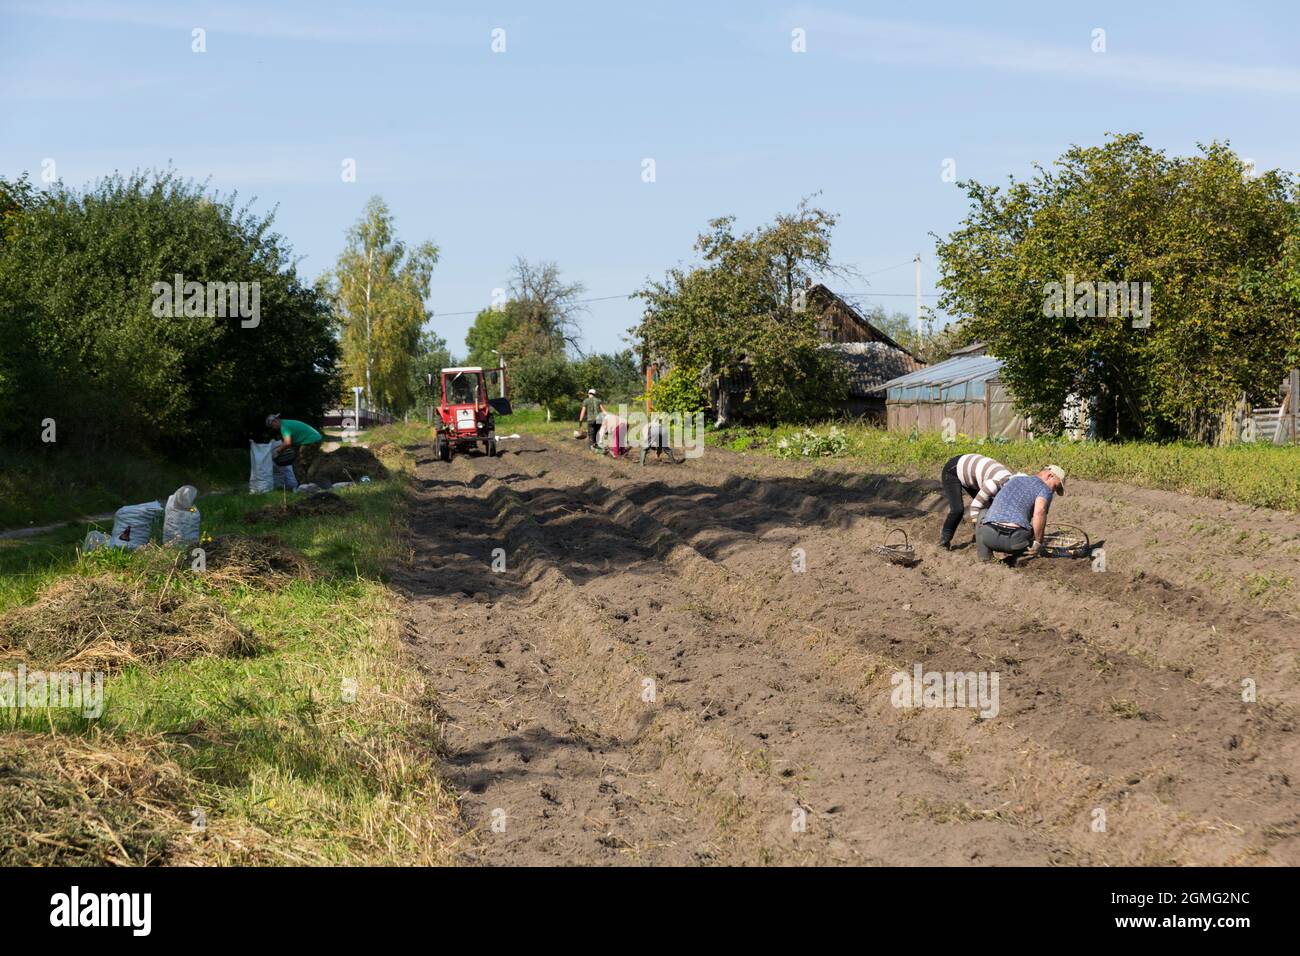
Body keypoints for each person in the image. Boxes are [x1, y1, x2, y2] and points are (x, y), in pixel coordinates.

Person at [975, 465, 1066, 565]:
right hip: (1014, 542)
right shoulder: (1045, 490)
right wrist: (1038, 543)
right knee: (1034, 532)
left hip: (988, 537)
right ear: (1049, 476)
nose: (1053, 492)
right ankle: (1017, 559)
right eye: (1055, 487)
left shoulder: (1015, 479)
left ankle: (984, 557)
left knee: (983, 513)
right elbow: (1039, 513)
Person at [939, 452, 1012, 549]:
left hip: (974, 473)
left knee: (988, 507)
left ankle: (993, 537)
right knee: (957, 510)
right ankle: (944, 541)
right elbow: (975, 506)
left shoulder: (1014, 482)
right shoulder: (994, 485)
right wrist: (979, 528)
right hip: (953, 469)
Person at [266, 413, 323, 490]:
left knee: (298, 464)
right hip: (313, 438)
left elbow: (287, 443)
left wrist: (277, 452)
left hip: (311, 440)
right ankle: (311, 483)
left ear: (275, 421)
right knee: (306, 462)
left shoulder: (284, 427)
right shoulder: (286, 423)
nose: (273, 428)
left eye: (272, 426)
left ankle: (304, 487)